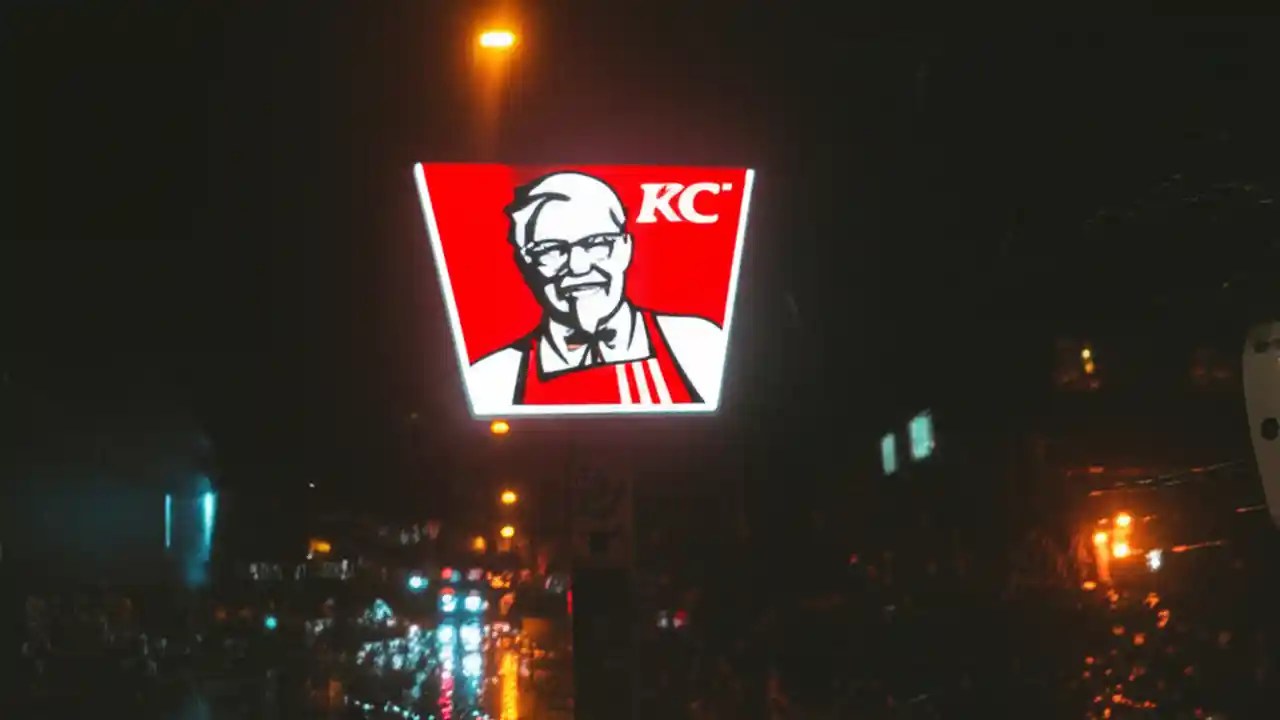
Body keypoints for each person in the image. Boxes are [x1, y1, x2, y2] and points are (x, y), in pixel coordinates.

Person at [467, 171, 726, 411]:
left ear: (625, 249)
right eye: (551, 250)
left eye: (597, 244)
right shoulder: (494, 377)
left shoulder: (697, 343)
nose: (578, 267)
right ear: (525, 264)